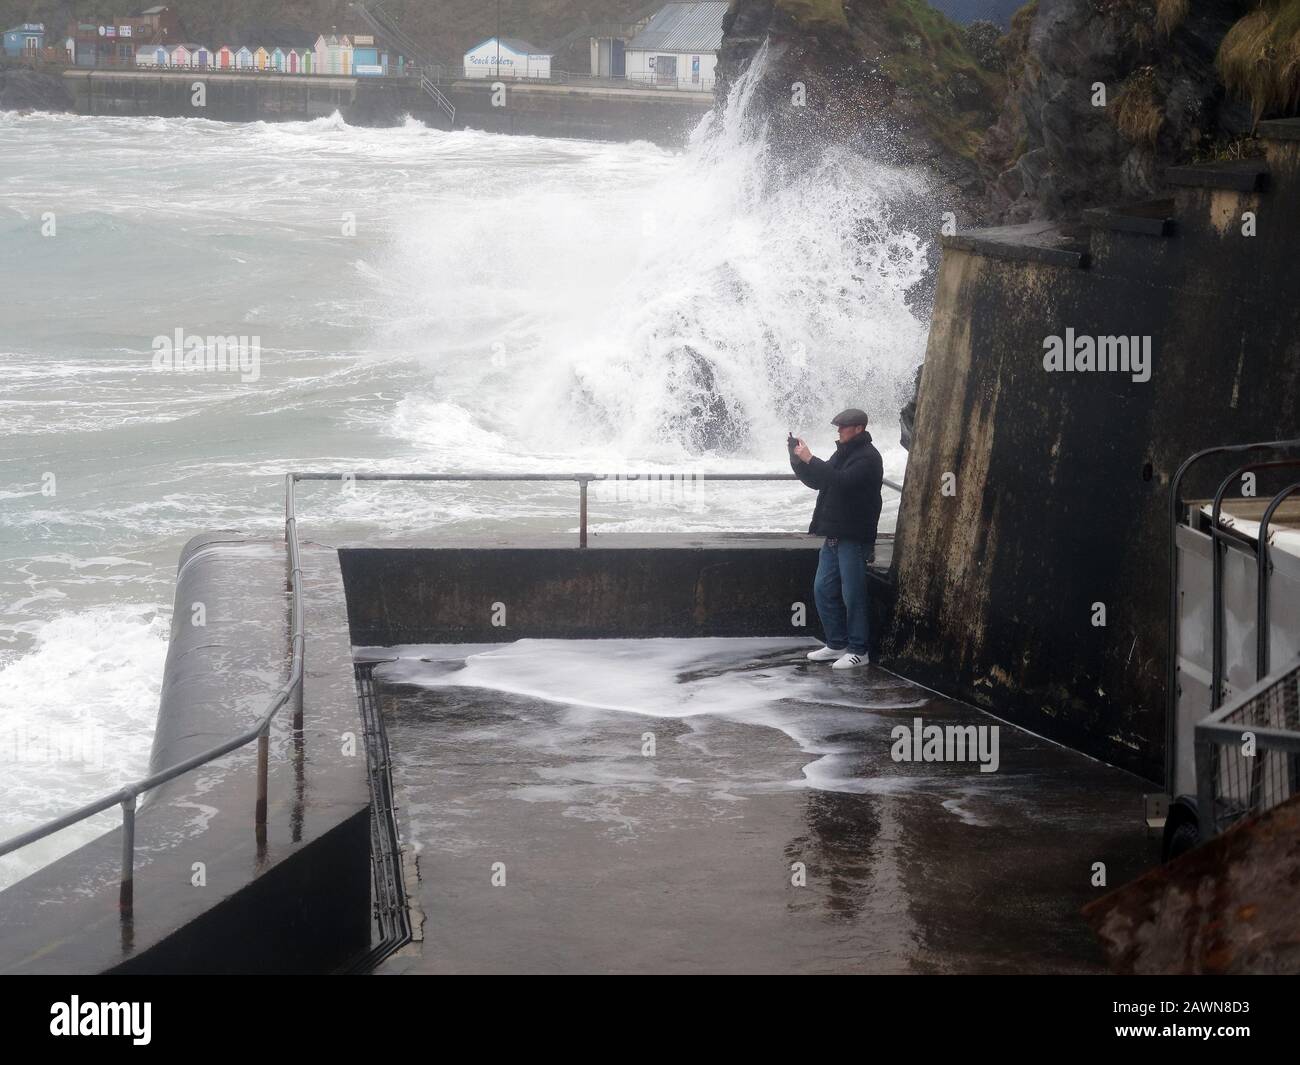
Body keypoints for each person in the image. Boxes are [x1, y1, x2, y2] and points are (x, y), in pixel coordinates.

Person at [789, 408, 884, 669]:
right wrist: (798, 460)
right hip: (833, 535)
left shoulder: (868, 458)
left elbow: (841, 481)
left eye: (843, 426)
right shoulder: (843, 453)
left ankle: (858, 650)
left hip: (853, 537)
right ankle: (837, 643)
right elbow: (820, 481)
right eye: (838, 427)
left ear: (859, 428)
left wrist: (811, 458)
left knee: (853, 595)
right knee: (822, 590)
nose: (839, 430)